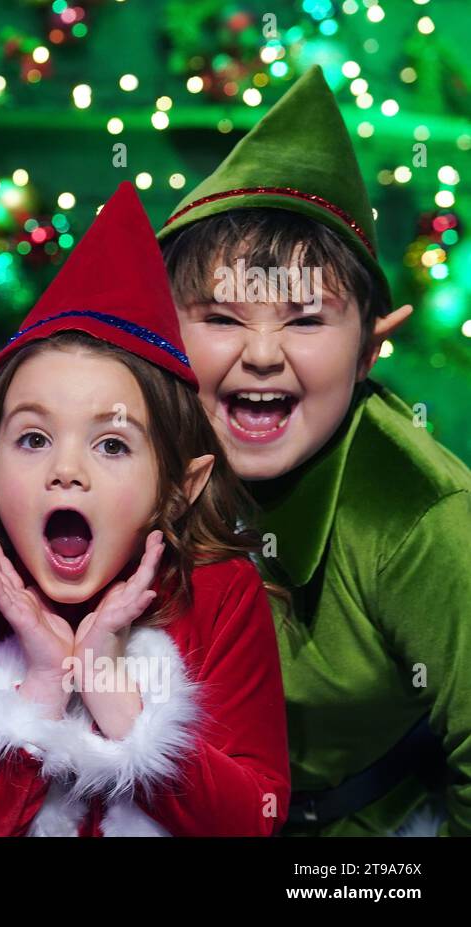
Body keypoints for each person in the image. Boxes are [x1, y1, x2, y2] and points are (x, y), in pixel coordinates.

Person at [0, 183, 290, 836]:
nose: (66, 469)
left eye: (112, 443)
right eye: (33, 438)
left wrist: (112, 688)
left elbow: (252, 820)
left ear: (181, 485)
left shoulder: (223, 595)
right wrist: (45, 680)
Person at [159, 65, 471, 836]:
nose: (262, 355)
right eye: (223, 318)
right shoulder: (123, 450)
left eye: (304, 320)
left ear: (370, 349)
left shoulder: (423, 519)